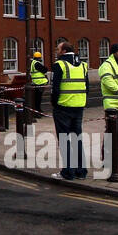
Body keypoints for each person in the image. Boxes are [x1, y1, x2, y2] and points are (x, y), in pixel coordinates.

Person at [49, 39, 88, 179]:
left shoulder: (59, 65)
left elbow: (55, 88)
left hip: (63, 107)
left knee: (64, 139)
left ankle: (68, 172)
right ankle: (81, 171)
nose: (56, 52)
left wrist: (54, 103)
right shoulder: (83, 65)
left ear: (64, 51)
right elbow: (86, 87)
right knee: (77, 139)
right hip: (79, 106)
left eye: (58, 49)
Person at [27, 50, 49, 122]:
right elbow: (45, 70)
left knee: (37, 99)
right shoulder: (37, 63)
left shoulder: (33, 63)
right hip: (39, 83)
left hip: (35, 82)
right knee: (38, 99)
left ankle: (38, 111)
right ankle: (37, 112)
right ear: (39, 58)